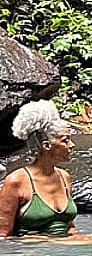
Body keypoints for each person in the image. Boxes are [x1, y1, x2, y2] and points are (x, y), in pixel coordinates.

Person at [0, 100, 79, 238]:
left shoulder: (64, 177)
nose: (72, 145)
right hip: (32, 253)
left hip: (64, 251)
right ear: (46, 146)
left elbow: (70, 228)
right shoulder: (16, 181)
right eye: (65, 140)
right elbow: (3, 235)